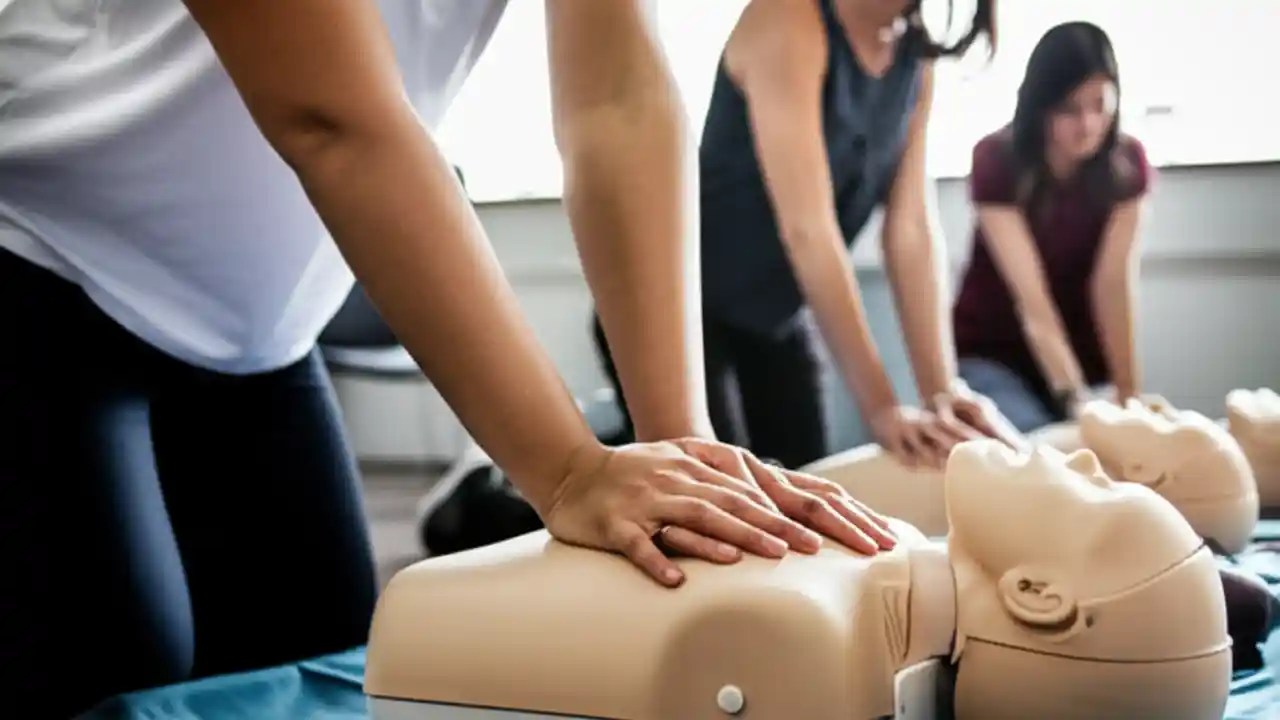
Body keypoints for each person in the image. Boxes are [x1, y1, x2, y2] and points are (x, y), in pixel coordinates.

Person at [0, 1, 896, 716]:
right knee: (118, 671)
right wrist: (569, 469)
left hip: (260, 337)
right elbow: (332, 115)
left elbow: (617, 100)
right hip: (45, 263)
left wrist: (684, 446)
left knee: (326, 674)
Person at [591, 0, 1019, 471]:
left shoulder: (916, 57)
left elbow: (910, 230)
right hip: (675, 309)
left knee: (810, 492)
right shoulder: (789, 19)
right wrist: (880, 407)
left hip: (775, 316)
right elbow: (808, 231)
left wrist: (942, 391)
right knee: (718, 491)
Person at [951, 21, 1154, 432]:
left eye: (1100, 104)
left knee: (1120, 442)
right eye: (1070, 109)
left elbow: (1112, 288)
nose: (1088, 124)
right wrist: (1078, 403)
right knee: (1040, 444)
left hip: (1081, 358)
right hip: (995, 357)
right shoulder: (996, 160)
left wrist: (1129, 398)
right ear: (1040, 107)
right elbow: (1034, 305)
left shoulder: (1129, 165)